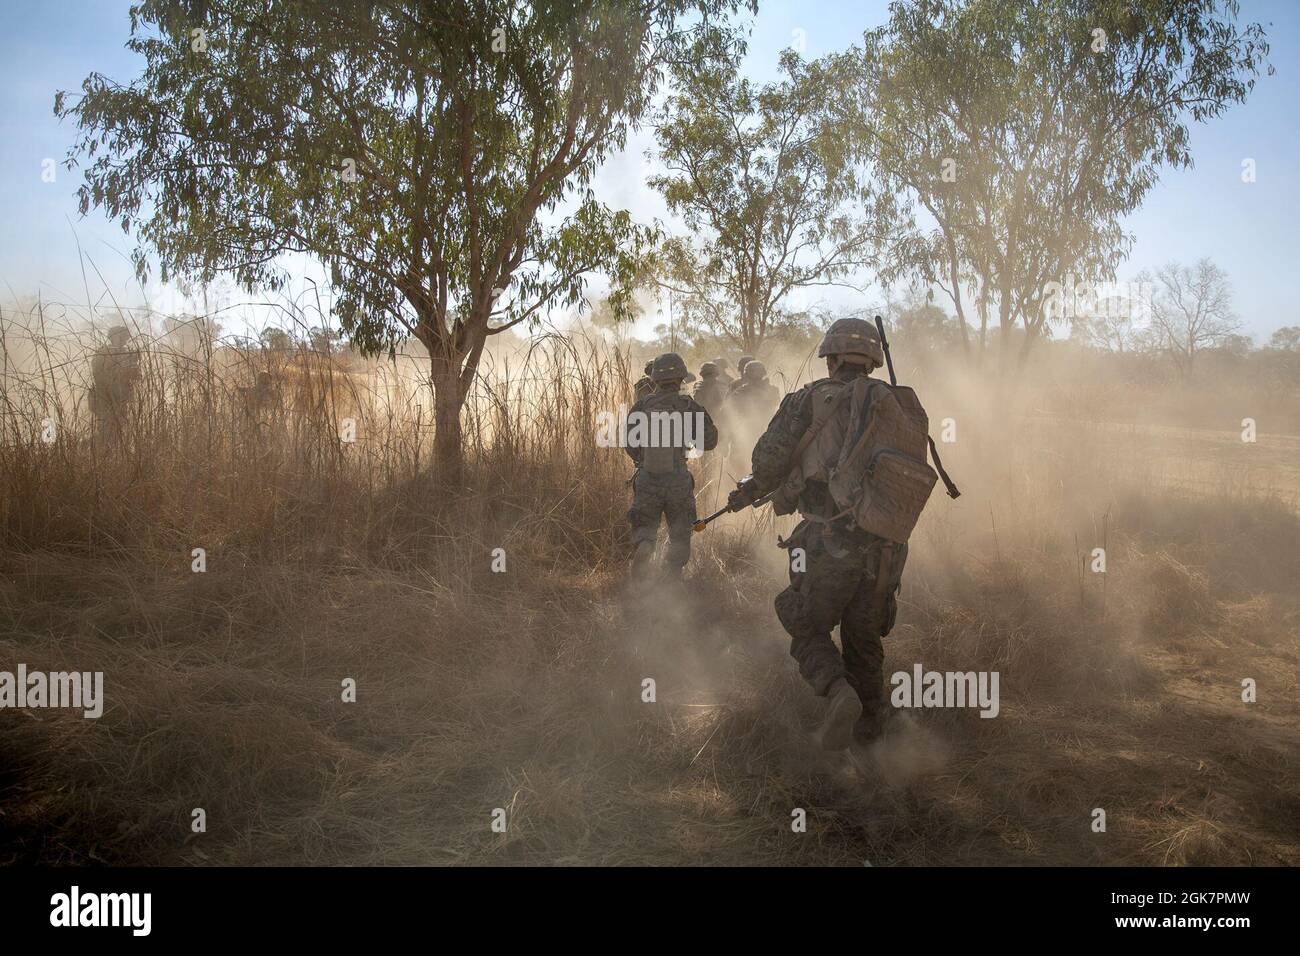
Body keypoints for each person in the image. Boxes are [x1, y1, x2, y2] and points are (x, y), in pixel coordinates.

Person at [728, 318, 906, 750]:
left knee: (802, 620)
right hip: (885, 548)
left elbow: (769, 461)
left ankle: (837, 694)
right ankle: (872, 750)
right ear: (872, 361)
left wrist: (750, 491)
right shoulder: (896, 406)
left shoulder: (809, 398)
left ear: (833, 359)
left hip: (829, 539)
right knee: (864, 641)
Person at [624, 352, 718, 578]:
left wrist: (643, 459)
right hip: (677, 478)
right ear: (681, 378)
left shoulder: (642, 405)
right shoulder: (688, 405)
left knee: (645, 528)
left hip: (647, 476)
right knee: (679, 531)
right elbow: (710, 441)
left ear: (655, 378)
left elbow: (629, 443)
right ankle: (671, 576)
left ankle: (645, 546)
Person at [89, 326, 140, 445]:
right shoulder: (102, 353)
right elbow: (98, 375)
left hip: (121, 399)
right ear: (113, 337)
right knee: (105, 430)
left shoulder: (128, 354)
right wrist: (120, 369)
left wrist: (134, 364)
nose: (125, 340)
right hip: (105, 398)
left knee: (120, 428)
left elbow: (136, 376)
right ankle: (93, 448)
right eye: (122, 337)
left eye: (126, 338)